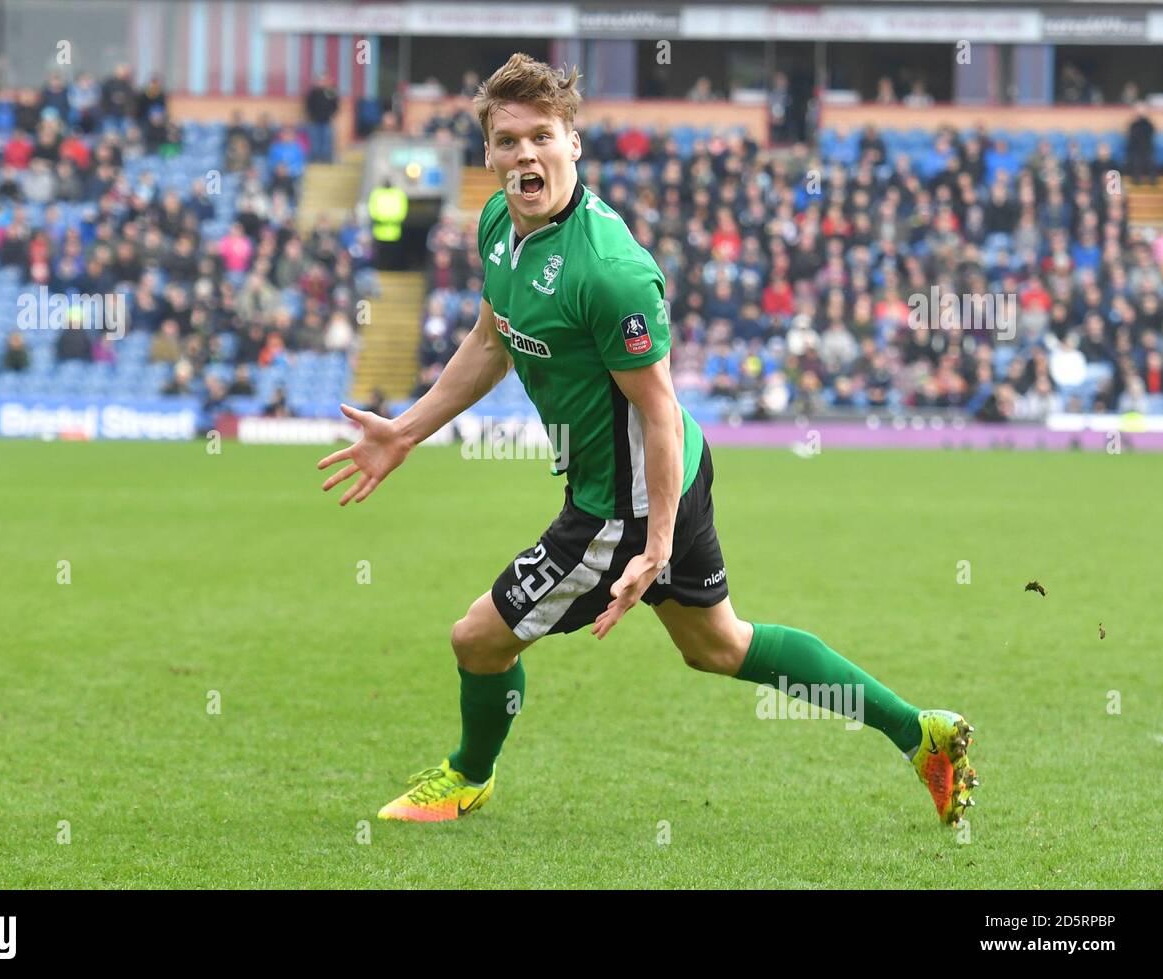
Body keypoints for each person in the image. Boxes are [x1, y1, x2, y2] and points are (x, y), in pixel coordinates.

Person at [318, 53, 977, 826]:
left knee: (477, 640)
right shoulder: (499, 224)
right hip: (665, 472)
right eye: (507, 140)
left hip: (626, 503)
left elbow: (658, 411)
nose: (525, 154)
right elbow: (493, 338)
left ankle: (468, 773)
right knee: (719, 646)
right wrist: (404, 431)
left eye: (542, 136)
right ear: (488, 152)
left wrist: (653, 544)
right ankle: (921, 733)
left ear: (573, 142)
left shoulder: (611, 271)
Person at [367, 177, 408, 270]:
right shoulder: (376, 193)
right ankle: (380, 268)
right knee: (379, 252)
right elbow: (372, 209)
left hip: (394, 230)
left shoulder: (398, 193)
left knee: (393, 252)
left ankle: (392, 268)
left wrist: (390, 219)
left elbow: (402, 210)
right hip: (379, 230)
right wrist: (381, 219)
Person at [304, 73, 339, 163]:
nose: (322, 82)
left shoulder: (331, 91)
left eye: (324, 80)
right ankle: (315, 158)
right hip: (314, 121)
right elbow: (308, 105)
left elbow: (335, 105)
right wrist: (311, 115)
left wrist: (331, 114)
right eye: (320, 80)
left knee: (326, 141)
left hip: (327, 121)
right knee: (314, 140)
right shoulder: (313, 92)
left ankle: (326, 158)